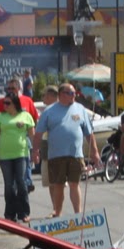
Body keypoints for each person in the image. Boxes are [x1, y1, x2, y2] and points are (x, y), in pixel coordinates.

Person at [35, 82, 97, 218]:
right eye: (70, 93)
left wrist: (95, 152)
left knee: (75, 184)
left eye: (74, 93)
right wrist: (35, 152)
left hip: (76, 154)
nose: (74, 95)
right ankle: (58, 213)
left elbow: (89, 133)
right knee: (58, 185)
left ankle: (78, 214)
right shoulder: (49, 111)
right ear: (61, 94)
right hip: (56, 155)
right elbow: (38, 133)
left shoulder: (80, 109)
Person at [0, 93, 35, 224]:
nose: (5, 105)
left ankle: (24, 212)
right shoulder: (0, 116)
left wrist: (36, 152)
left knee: (21, 182)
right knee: (9, 184)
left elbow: (32, 135)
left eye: (8, 103)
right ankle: (10, 214)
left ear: (15, 104)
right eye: (4, 103)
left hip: (21, 153)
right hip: (5, 155)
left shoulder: (25, 116)